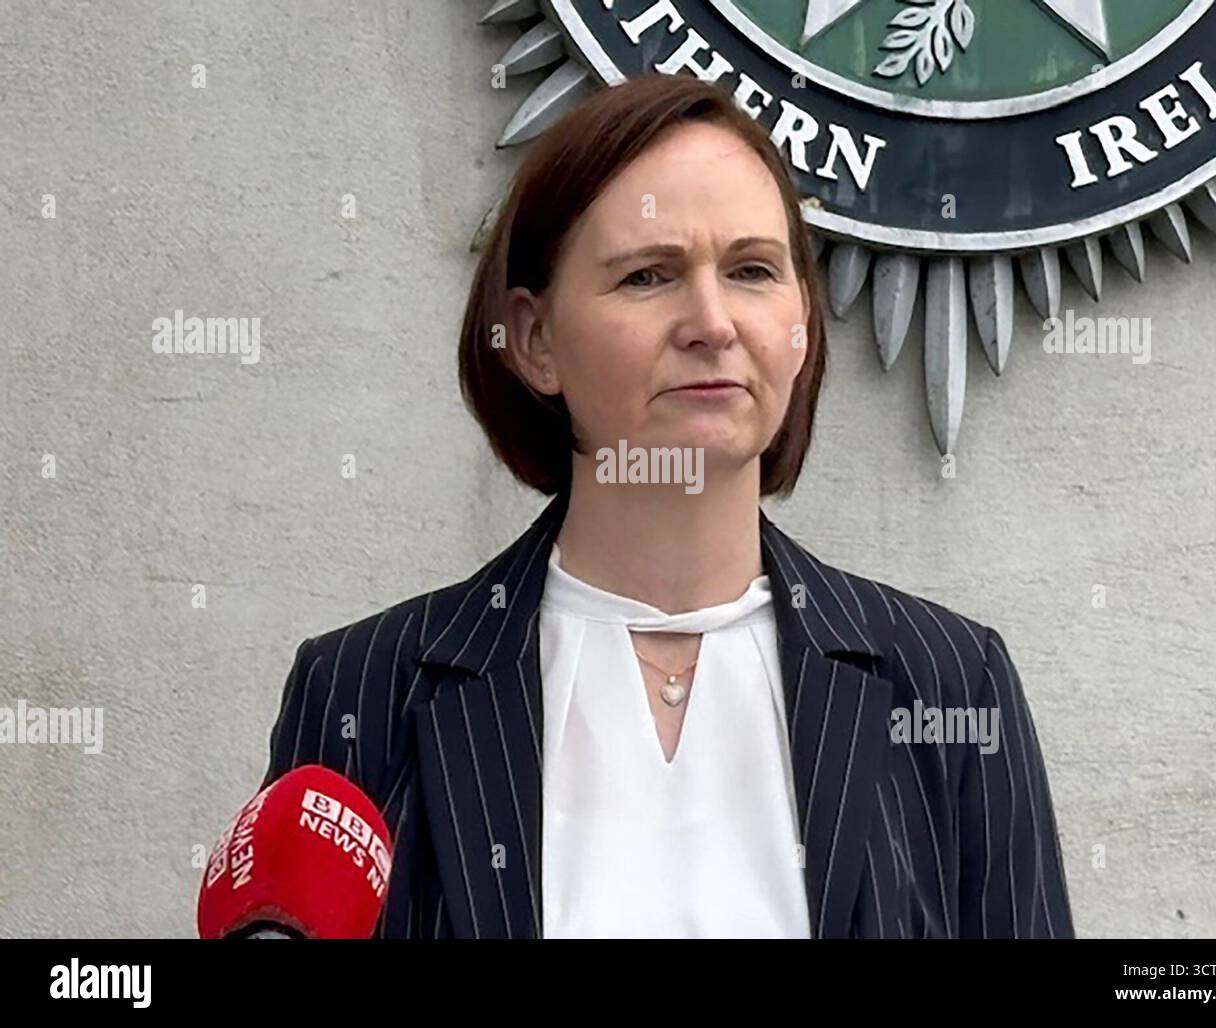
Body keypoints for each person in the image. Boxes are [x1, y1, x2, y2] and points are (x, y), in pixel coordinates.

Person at [260, 73, 1074, 939]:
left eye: (754, 270)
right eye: (648, 276)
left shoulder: (947, 680)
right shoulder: (367, 691)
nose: (712, 322)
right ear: (535, 340)